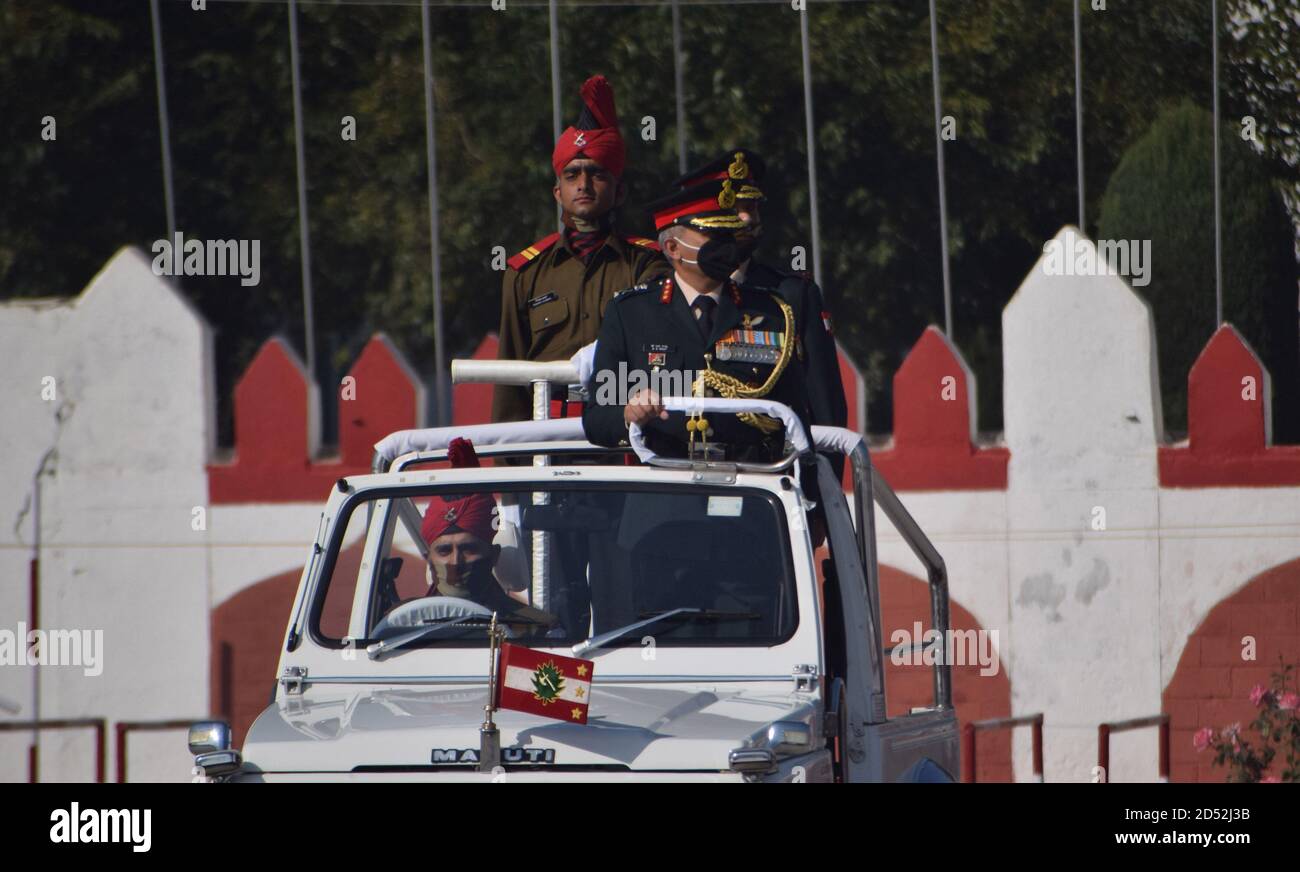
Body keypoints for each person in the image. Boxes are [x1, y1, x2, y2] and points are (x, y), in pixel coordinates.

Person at [581, 172, 819, 490]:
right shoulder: (631, 314)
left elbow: (796, 415)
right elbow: (597, 419)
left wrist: (811, 503)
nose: (726, 247)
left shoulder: (771, 311)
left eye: (728, 235)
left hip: (751, 491)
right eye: (713, 237)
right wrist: (629, 411)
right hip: (662, 491)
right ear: (673, 248)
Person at [492, 75, 668, 424]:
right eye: (571, 176)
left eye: (597, 175)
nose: (583, 185)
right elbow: (509, 379)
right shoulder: (525, 273)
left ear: (619, 192)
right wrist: (508, 466)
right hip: (549, 431)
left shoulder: (647, 265)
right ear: (557, 192)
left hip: (623, 429)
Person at [674, 149, 848, 438]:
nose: (745, 218)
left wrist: (819, 477)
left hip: (767, 468)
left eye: (752, 207)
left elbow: (824, 404)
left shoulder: (790, 295)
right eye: (732, 208)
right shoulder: (662, 295)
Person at [414, 439, 555, 627]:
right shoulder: (398, 626)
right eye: (444, 551)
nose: (456, 562)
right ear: (428, 559)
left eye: (469, 549)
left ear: (494, 555)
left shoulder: (534, 629)